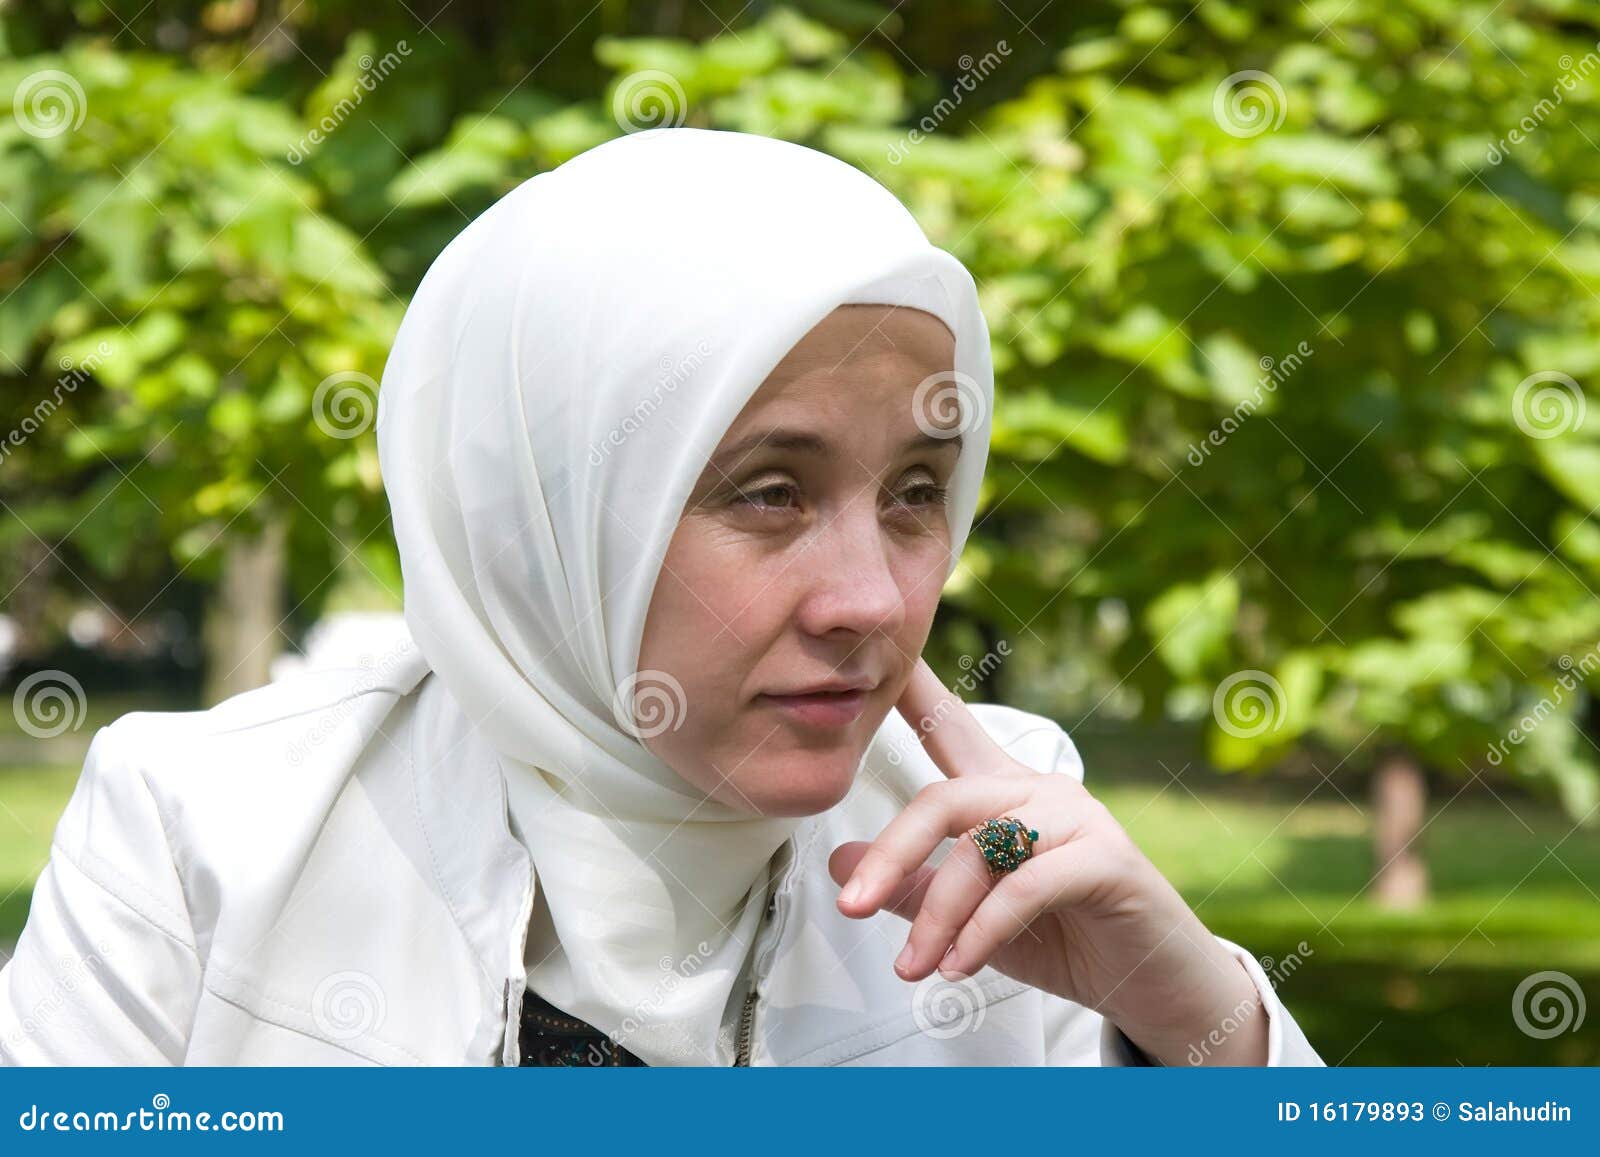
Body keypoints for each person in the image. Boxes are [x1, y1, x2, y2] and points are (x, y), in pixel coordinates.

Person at [0, 127, 1322, 1067]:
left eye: (917, 492)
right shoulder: (209, 832)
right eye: (769, 492)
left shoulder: (998, 840)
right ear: (557, 513)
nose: (871, 597)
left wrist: (1195, 1024)